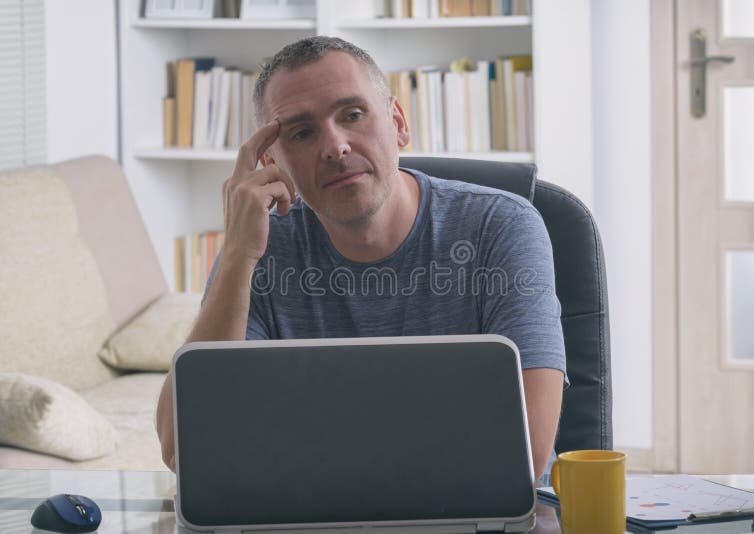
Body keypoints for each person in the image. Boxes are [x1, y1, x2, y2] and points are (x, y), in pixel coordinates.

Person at [156, 36, 566, 483]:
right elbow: (184, 450)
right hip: (307, 516)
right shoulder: (259, 246)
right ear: (272, 161)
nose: (335, 146)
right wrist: (237, 254)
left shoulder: (500, 226)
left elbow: (530, 448)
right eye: (302, 132)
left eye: (352, 115)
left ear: (398, 123)